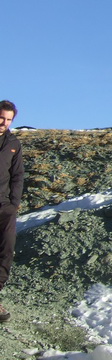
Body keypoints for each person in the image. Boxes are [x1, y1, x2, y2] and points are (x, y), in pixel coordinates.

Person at [0, 100, 23, 322]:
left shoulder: (13, 143)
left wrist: (13, 203)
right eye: (1, 118)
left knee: (6, 251)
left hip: (5, 208)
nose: (4, 123)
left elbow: (17, 175)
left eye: (8, 120)